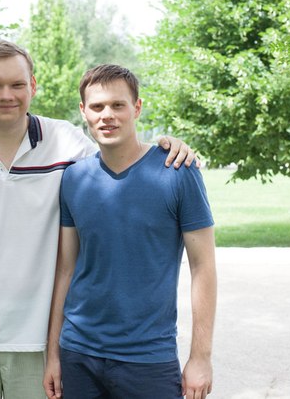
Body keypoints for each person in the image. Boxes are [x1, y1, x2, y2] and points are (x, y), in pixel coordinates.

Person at [0, 40, 197, 399]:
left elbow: (119, 152)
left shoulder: (67, 144)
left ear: (33, 86)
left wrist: (169, 146)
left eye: (17, 84)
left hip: (40, 344)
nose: (6, 95)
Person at [43, 64, 217, 399]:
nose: (107, 115)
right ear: (83, 111)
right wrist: (53, 354)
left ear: (136, 108)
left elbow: (203, 267)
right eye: (97, 106)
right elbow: (66, 269)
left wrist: (200, 357)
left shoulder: (177, 172)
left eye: (117, 105)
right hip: (78, 353)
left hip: (148, 358)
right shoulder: (74, 178)